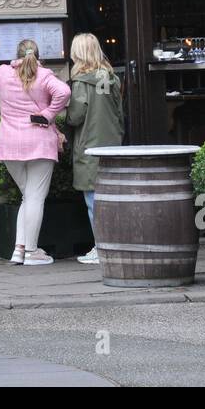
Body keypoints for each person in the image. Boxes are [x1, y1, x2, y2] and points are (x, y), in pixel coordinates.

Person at [0, 37, 70, 265]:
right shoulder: (44, 75)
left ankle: (19, 249)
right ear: (37, 55)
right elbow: (64, 92)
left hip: (10, 146)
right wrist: (49, 115)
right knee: (35, 198)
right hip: (39, 144)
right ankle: (31, 251)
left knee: (27, 197)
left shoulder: (2, 73)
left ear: (16, 54)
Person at [65, 33, 125, 265]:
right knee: (110, 198)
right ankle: (114, 244)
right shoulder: (111, 78)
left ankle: (102, 248)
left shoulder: (81, 82)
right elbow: (119, 113)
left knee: (94, 200)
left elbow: (76, 117)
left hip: (90, 146)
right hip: (112, 145)